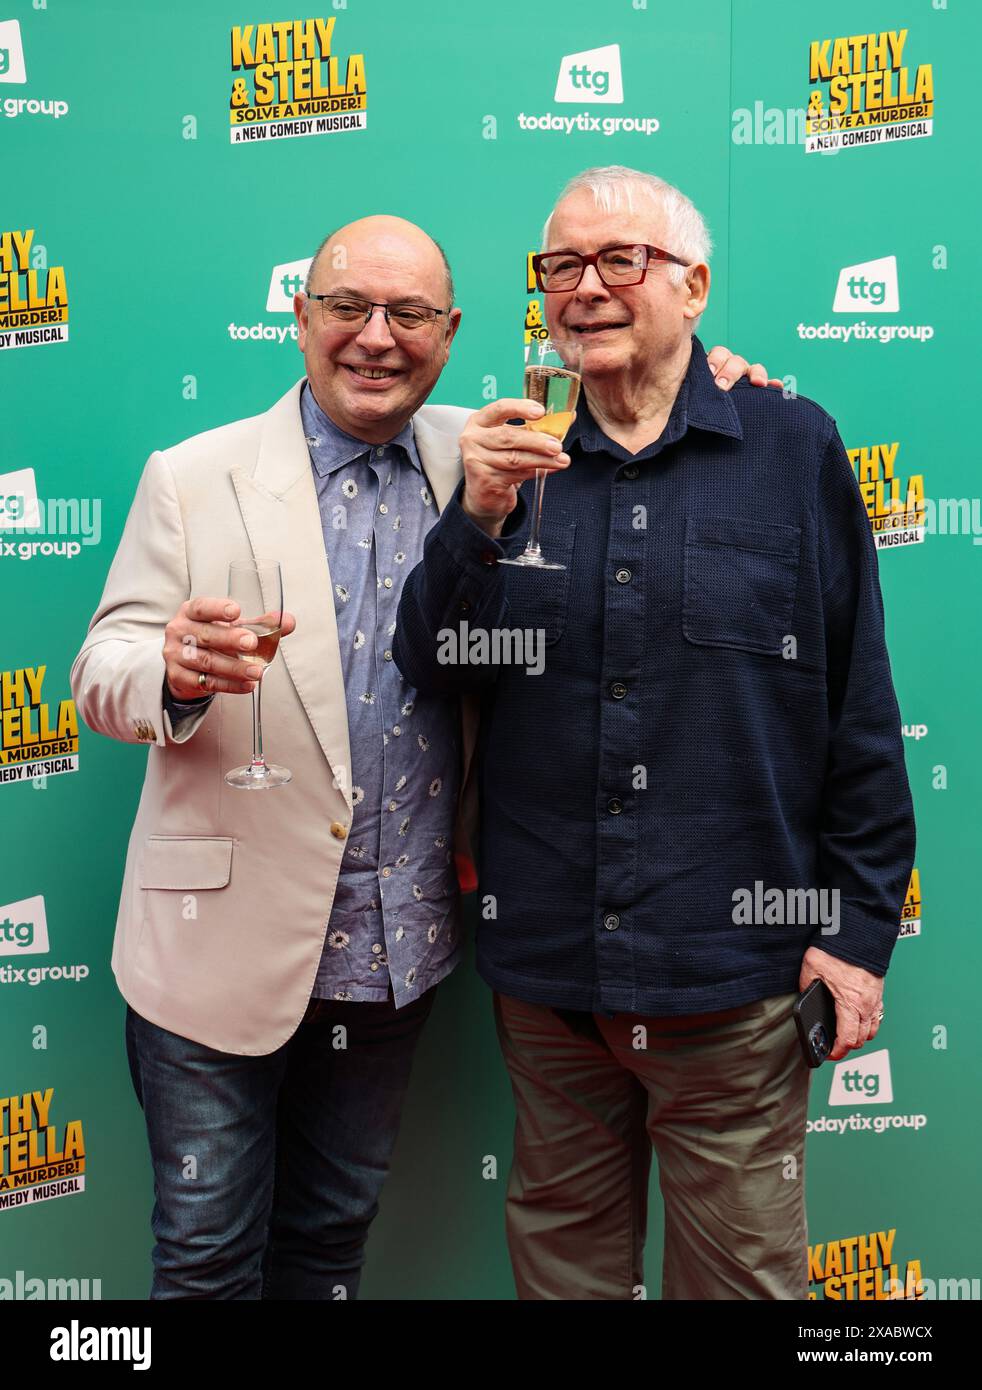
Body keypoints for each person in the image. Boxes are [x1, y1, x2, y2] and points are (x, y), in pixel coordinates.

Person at [70, 209, 772, 1299]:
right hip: (214, 944)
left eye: (408, 315)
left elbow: (647, 396)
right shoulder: (193, 475)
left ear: (449, 336)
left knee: (328, 1242)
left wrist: (715, 371)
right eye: (347, 307)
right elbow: (98, 668)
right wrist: (166, 664)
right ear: (300, 320)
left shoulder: (495, 453)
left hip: (390, 950)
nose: (375, 337)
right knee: (205, 1258)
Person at [393, 167, 916, 1300]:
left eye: (618, 259)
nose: (584, 289)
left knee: (745, 1286)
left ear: (694, 286)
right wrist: (472, 521)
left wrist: (859, 932)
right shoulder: (501, 453)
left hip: (733, 981)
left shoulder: (789, 446)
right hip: (551, 983)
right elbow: (428, 664)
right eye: (559, 267)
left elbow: (858, 706)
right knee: (564, 1277)